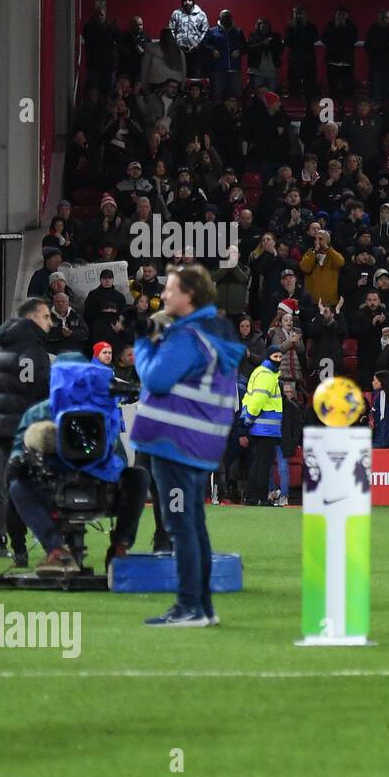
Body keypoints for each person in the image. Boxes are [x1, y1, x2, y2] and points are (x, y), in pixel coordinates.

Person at [131, 264, 246, 627]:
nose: (164, 296)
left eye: (170, 289)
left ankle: (189, 607)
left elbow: (155, 378)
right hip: (199, 442)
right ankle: (204, 607)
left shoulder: (188, 335)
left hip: (173, 442)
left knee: (180, 526)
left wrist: (142, 343)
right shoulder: (216, 332)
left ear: (190, 296)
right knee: (194, 525)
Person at [5, 354, 149, 575]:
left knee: (138, 476)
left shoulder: (104, 410)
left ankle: (118, 547)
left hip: (98, 488)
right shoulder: (42, 412)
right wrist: (30, 454)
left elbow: (117, 457)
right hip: (57, 487)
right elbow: (17, 456)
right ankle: (57, 551)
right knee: (18, 484)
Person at [0, 300, 51, 566]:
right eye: (45, 317)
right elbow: (33, 388)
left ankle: (14, 545)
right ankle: (49, 546)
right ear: (32, 319)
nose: (49, 322)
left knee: (8, 488)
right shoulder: (29, 349)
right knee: (30, 487)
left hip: (0, 431)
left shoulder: (3, 349)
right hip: (25, 429)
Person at [241, 346, 284, 504]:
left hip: (262, 427)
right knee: (264, 465)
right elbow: (257, 400)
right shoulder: (267, 375)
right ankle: (260, 498)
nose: (278, 359)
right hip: (265, 428)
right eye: (275, 356)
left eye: (280, 357)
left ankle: (251, 496)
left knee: (259, 463)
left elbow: (251, 398)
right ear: (268, 357)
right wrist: (249, 419)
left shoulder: (263, 372)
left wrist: (249, 420)